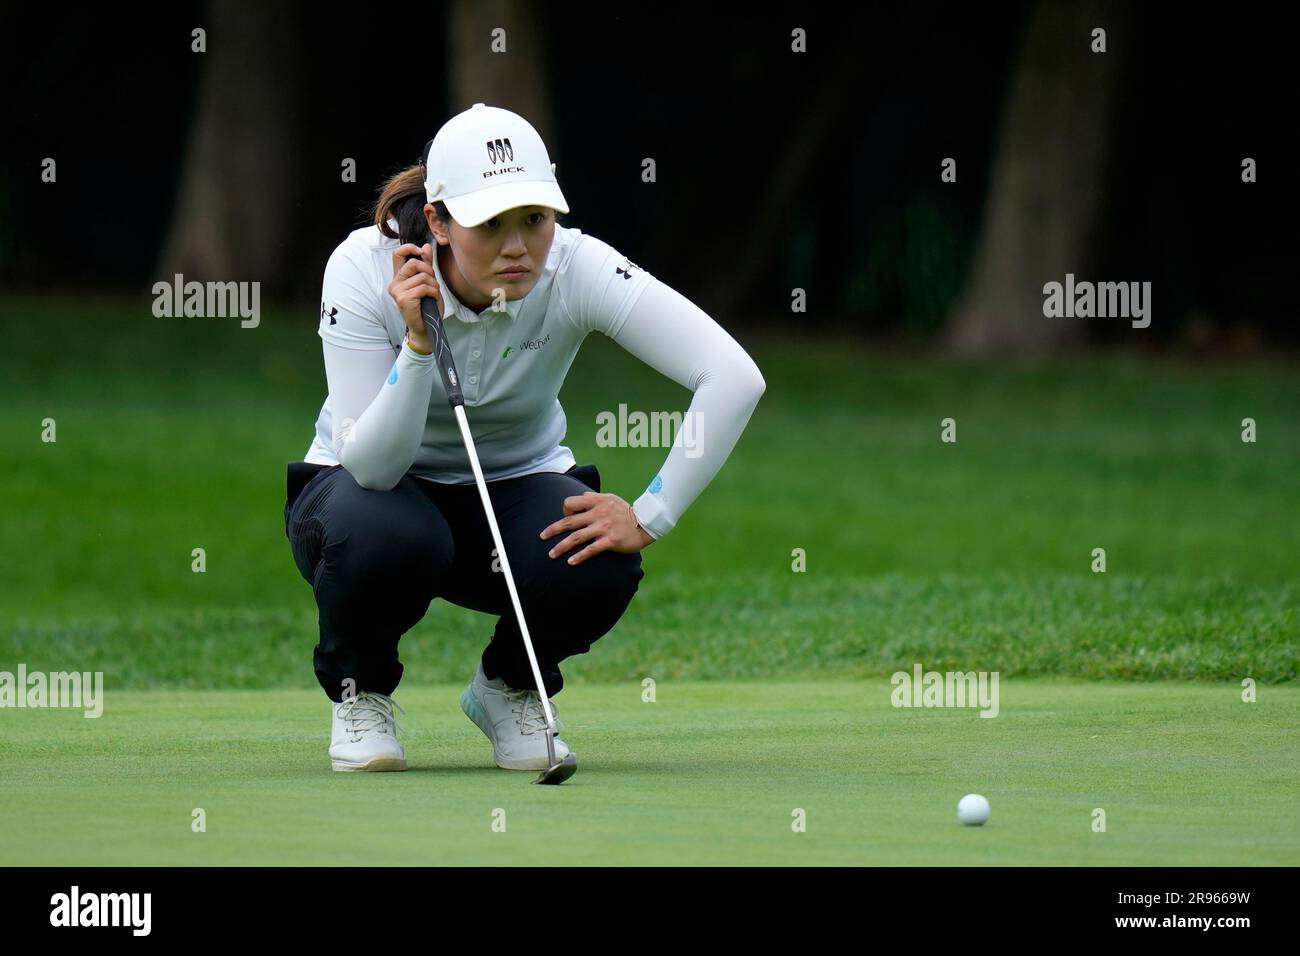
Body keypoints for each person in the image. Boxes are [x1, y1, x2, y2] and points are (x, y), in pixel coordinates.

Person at [283, 103, 766, 773]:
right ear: (439, 222)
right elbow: (370, 465)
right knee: (389, 536)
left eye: (534, 220)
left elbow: (733, 377)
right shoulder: (364, 268)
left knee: (600, 557)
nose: (517, 248)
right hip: (368, 499)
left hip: (511, 492)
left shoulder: (577, 268)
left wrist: (652, 514)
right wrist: (419, 346)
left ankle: (509, 687)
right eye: (491, 224)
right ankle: (359, 691)